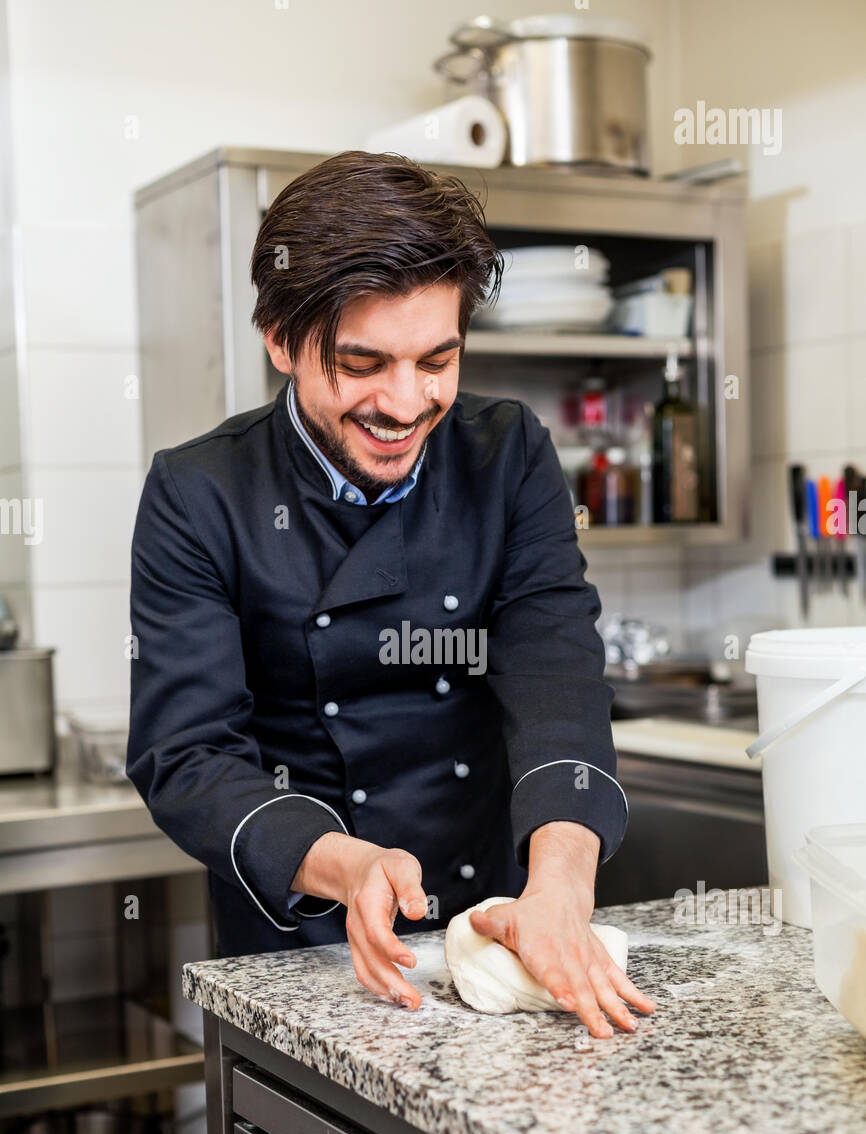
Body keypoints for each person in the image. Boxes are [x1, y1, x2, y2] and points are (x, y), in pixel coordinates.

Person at [127, 150, 656, 1038]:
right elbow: (187, 755)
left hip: (491, 922)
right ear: (281, 339)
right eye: (363, 363)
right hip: (299, 943)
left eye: (436, 360)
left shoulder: (507, 454)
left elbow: (555, 673)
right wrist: (343, 864)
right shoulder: (201, 492)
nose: (406, 403)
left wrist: (559, 883)